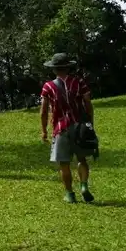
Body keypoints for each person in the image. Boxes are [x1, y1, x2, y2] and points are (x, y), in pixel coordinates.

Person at [40, 53, 97, 204]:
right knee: (82, 158)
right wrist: (90, 123)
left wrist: (44, 130)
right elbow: (87, 103)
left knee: (64, 163)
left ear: (54, 70)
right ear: (68, 67)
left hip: (60, 128)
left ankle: (70, 194)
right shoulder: (79, 83)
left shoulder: (48, 86)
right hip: (79, 127)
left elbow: (44, 110)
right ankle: (84, 186)